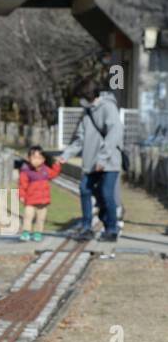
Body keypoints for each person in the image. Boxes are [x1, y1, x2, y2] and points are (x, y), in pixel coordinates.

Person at [59, 78, 123, 243]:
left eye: (82, 96)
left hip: (109, 161)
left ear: (89, 95)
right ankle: (87, 227)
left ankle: (112, 229)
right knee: (85, 189)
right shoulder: (87, 111)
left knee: (107, 194)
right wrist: (65, 155)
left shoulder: (108, 107)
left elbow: (114, 134)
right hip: (91, 161)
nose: (80, 100)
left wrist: (103, 158)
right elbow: (80, 138)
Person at [17, 145, 62, 242]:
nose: (37, 160)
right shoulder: (26, 171)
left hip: (43, 201)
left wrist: (56, 164)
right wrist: (21, 195)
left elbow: (54, 173)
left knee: (41, 218)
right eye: (34, 158)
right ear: (29, 158)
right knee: (28, 216)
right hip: (30, 200)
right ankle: (26, 232)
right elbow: (22, 185)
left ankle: (38, 233)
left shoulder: (46, 170)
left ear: (43, 159)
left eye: (39, 158)